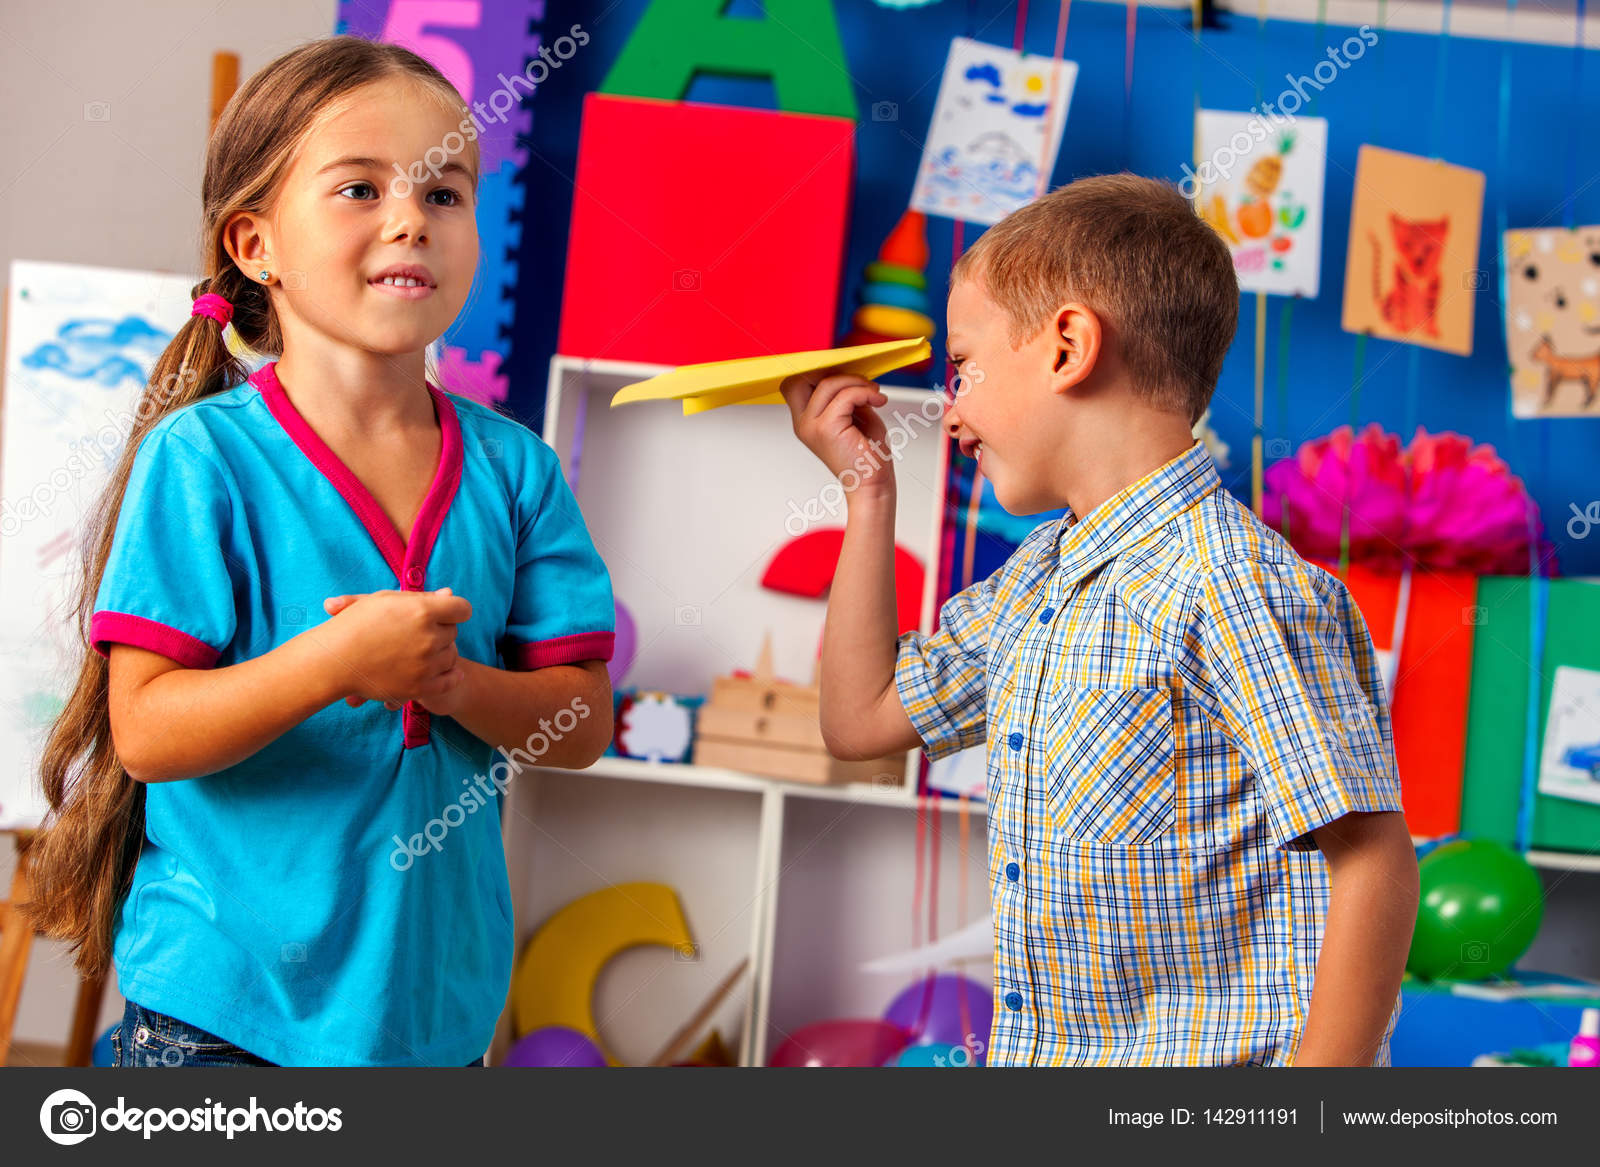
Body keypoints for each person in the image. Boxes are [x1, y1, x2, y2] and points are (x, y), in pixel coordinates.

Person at [21, 36, 615, 1068]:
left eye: (445, 193)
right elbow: (151, 733)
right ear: (256, 246)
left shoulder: (519, 471)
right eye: (359, 188)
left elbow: (581, 719)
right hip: (220, 1018)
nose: (408, 219)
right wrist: (338, 665)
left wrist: (453, 683)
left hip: (431, 1021)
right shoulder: (202, 459)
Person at [781, 173, 1419, 1066]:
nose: (951, 408)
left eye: (962, 365)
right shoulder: (1035, 581)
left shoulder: (1234, 585)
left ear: (1069, 346)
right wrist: (866, 489)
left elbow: (1374, 859)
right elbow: (860, 719)